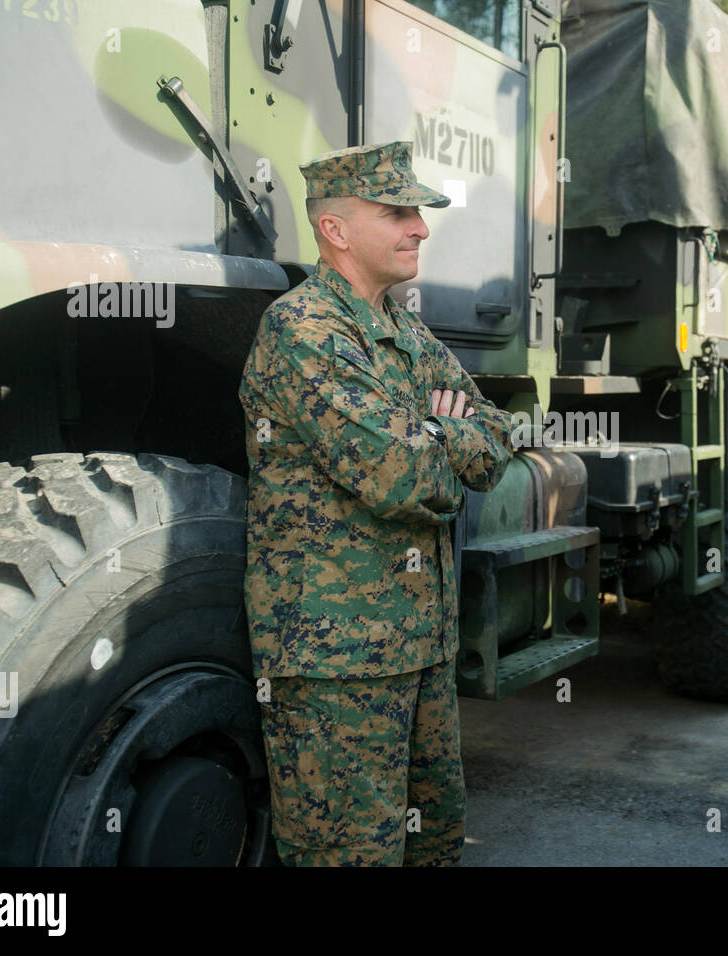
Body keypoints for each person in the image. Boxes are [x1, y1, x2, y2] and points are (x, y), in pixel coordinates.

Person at [238, 141, 514, 866]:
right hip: (337, 663)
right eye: (397, 211)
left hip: (420, 647)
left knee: (434, 847)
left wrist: (439, 434)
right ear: (336, 230)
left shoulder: (403, 331)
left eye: (417, 212)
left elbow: (495, 443)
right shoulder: (302, 330)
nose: (420, 227)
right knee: (349, 857)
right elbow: (399, 475)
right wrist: (438, 436)